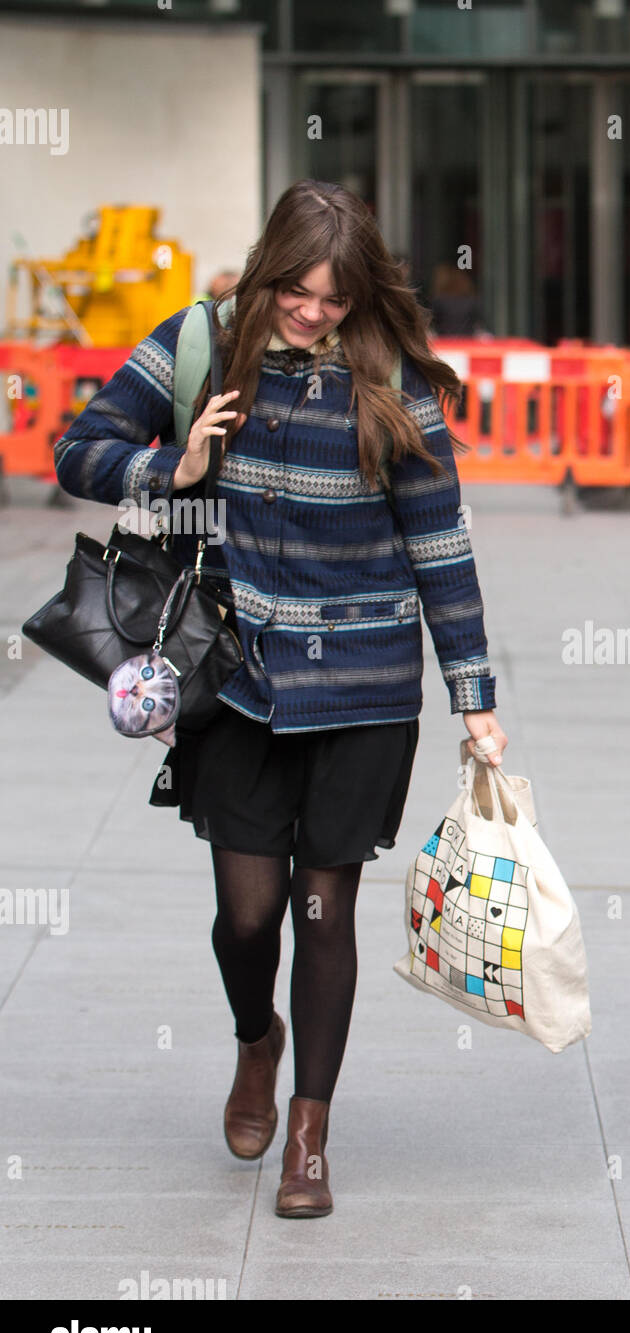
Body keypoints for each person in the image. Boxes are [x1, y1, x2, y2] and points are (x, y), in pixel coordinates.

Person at [53, 179, 508, 1218]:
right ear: (267, 274)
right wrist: (173, 464)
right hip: (240, 680)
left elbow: (439, 543)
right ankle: (256, 1037)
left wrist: (472, 693)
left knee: (326, 906)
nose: (312, 314)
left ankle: (310, 1132)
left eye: (334, 300)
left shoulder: (392, 373)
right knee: (247, 915)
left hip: (363, 681)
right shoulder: (202, 343)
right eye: (297, 293)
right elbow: (75, 451)